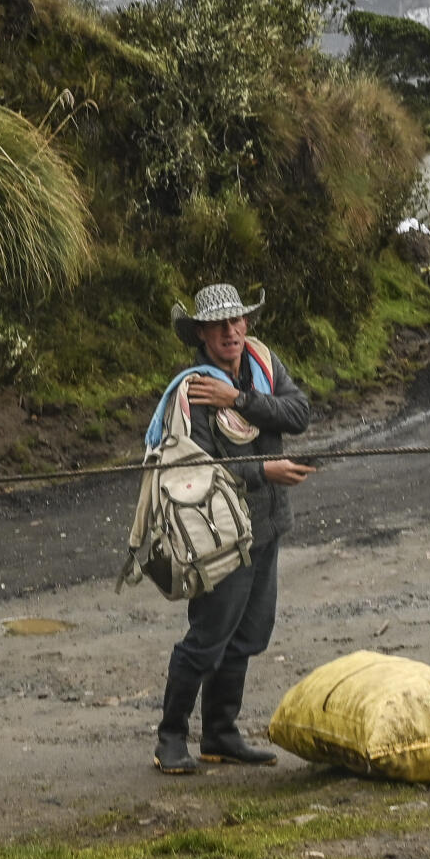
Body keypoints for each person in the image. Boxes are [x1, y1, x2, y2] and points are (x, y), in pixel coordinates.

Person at [152, 283, 316, 775]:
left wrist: (240, 399)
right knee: (208, 637)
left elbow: (299, 413)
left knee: (250, 633)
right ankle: (171, 738)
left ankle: (220, 734)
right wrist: (264, 471)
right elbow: (199, 467)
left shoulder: (264, 367)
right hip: (218, 534)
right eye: (220, 324)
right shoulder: (192, 390)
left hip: (267, 525)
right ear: (201, 333)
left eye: (237, 320)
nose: (231, 331)